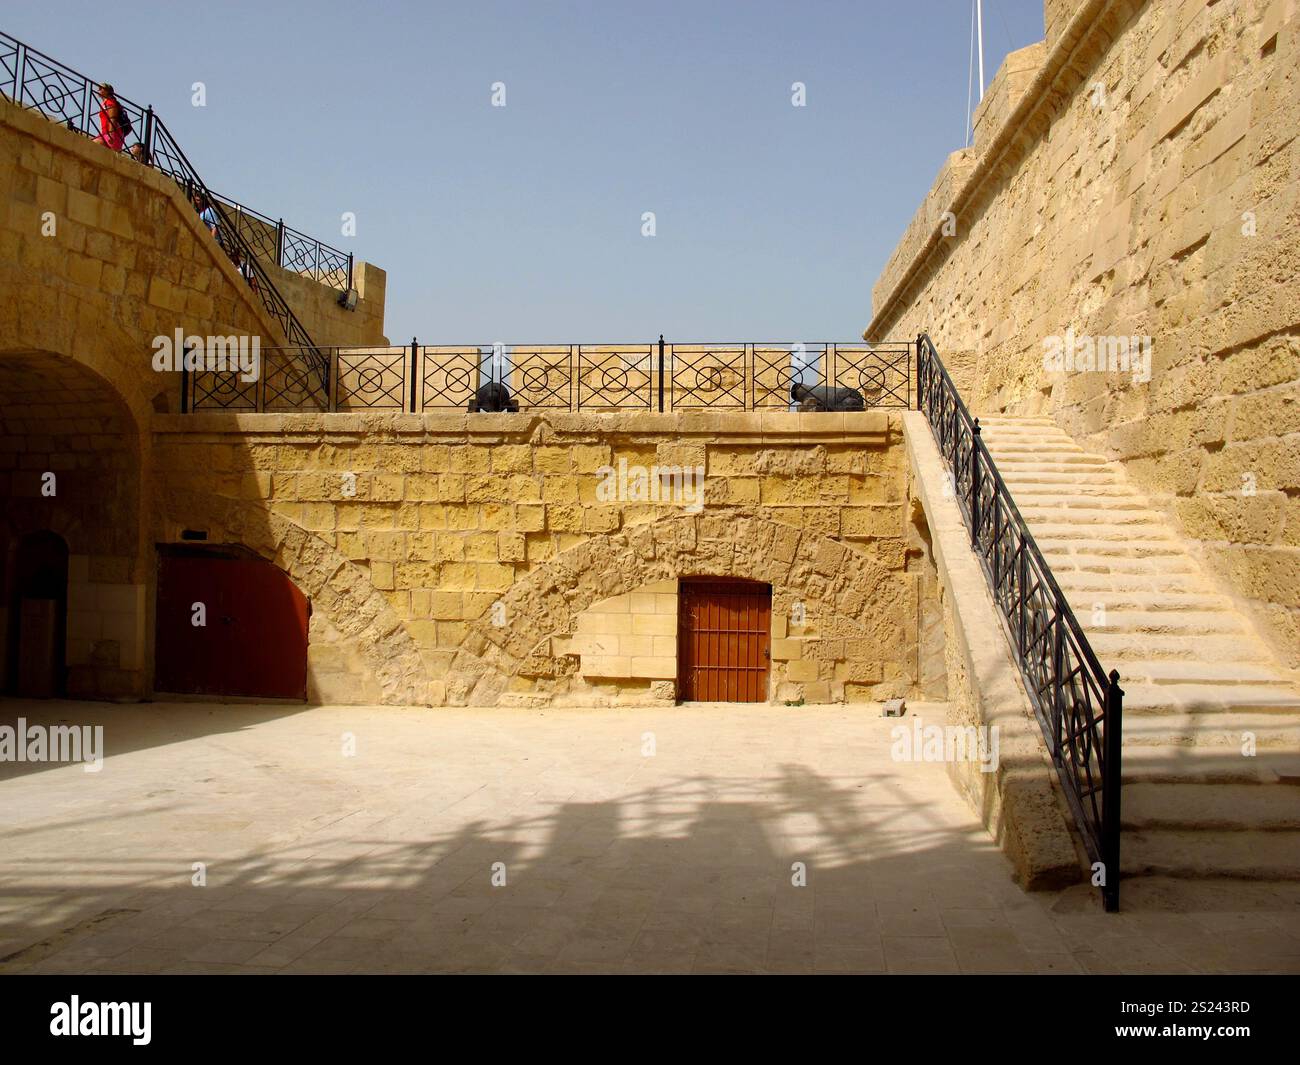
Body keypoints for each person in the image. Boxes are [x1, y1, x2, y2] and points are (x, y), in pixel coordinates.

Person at [92, 83, 126, 152]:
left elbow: (112, 118)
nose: (99, 89)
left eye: (102, 88)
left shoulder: (110, 102)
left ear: (107, 91)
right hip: (105, 132)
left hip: (112, 133)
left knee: (93, 145)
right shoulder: (105, 103)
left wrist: (111, 134)